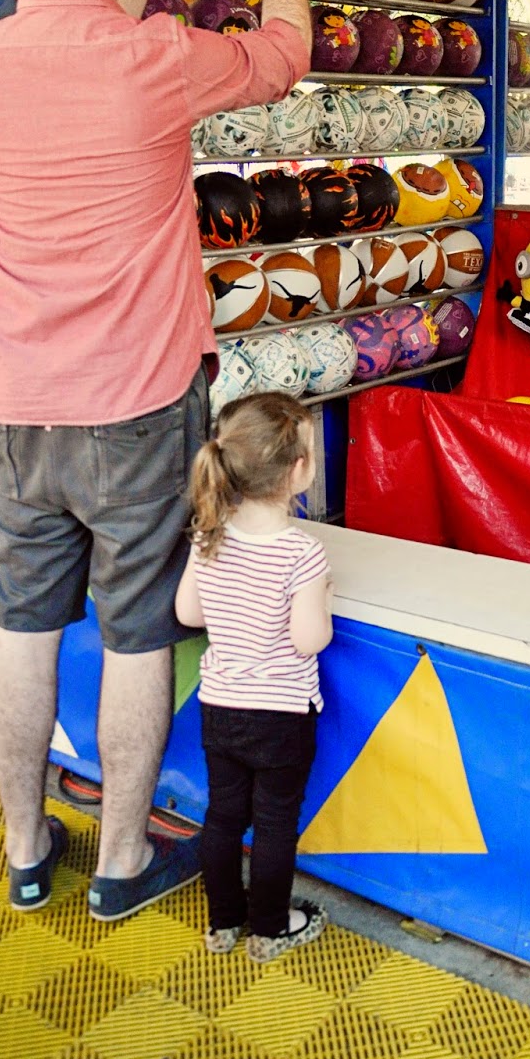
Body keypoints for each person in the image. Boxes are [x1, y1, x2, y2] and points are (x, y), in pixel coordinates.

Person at [0, 0, 343, 922]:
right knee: (135, 631)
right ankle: (121, 861)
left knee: (25, 622)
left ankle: (28, 851)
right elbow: (282, 55)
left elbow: (80, 42)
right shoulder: (155, 55)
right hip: (136, 403)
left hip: (20, 400)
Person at [173, 394, 333, 963]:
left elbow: (190, 614)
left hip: (221, 709)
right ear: (298, 471)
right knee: (273, 824)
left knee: (222, 815)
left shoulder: (208, 534)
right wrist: (324, 598)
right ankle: (270, 926)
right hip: (281, 717)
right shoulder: (302, 554)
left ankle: (223, 922)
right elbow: (309, 639)